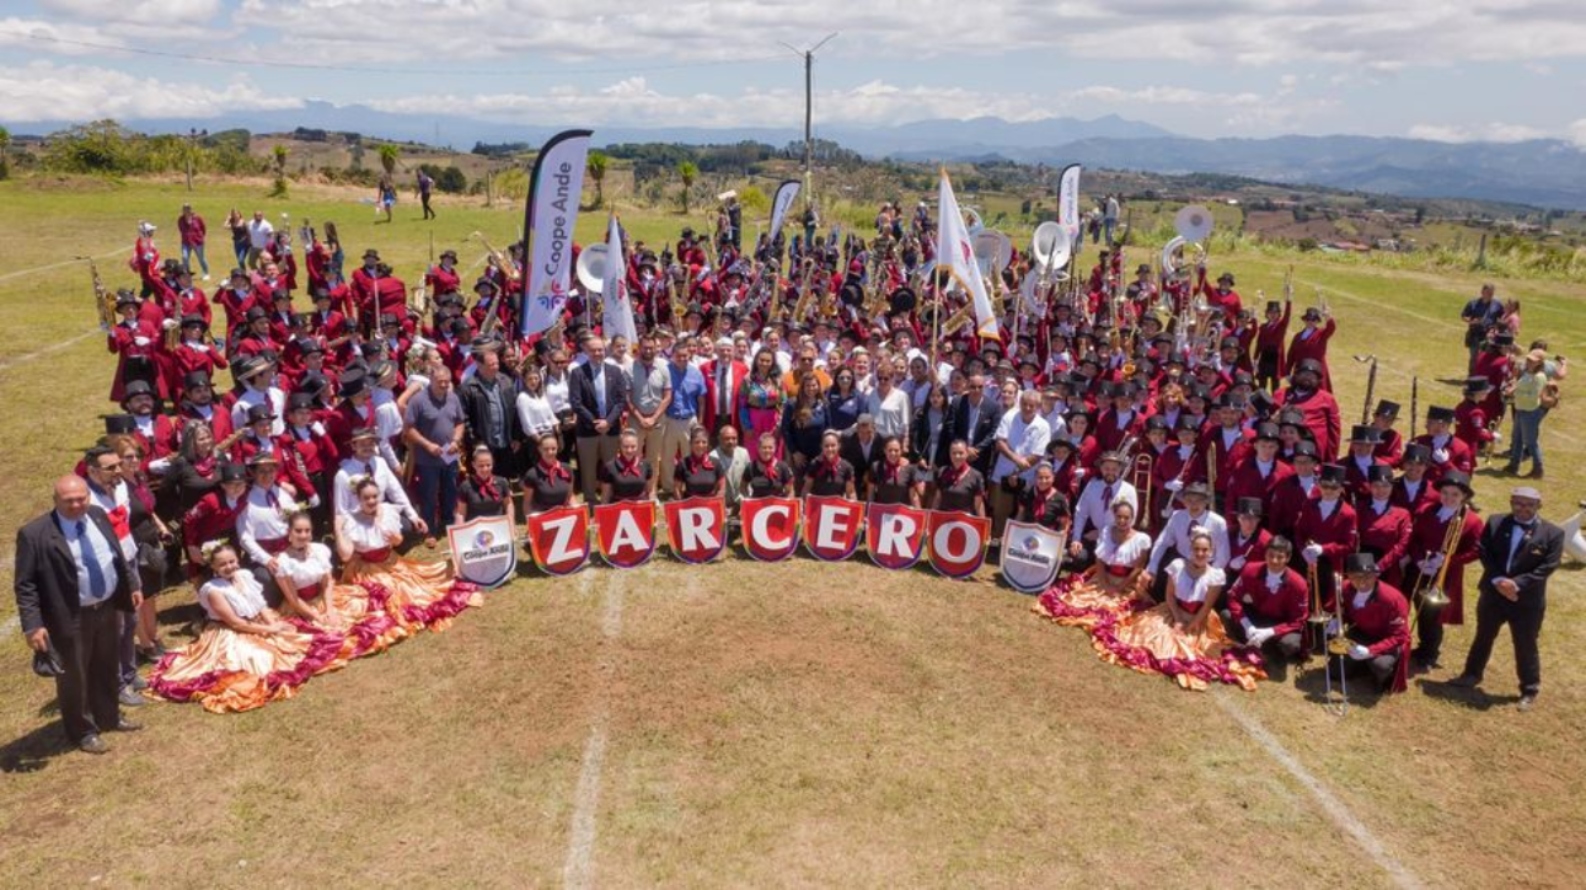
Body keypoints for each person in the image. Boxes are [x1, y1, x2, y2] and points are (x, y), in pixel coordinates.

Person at [14, 475, 145, 754]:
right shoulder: (35, 534)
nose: (76, 504)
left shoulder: (97, 515)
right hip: (69, 616)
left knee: (107, 664)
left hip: (107, 607)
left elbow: (115, 555)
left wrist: (130, 585)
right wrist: (32, 625)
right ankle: (82, 731)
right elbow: (25, 585)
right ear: (55, 501)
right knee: (75, 676)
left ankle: (109, 716)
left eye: (81, 498)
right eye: (69, 500)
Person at [147, 542, 342, 713]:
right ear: (213, 566)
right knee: (258, 661)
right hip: (229, 632)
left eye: (232, 561)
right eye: (222, 564)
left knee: (293, 638)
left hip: (255, 622)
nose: (229, 566)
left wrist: (272, 623)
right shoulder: (213, 589)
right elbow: (235, 622)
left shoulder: (244, 575)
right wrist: (270, 630)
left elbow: (260, 604)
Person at [1091, 529, 1263, 691]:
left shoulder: (1215, 576)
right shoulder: (1177, 566)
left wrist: (1191, 624)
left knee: (1187, 648)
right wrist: (1178, 620)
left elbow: (1206, 607)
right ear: (1190, 549)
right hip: (1173, 612)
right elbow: (1170, 596)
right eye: (1196, 549)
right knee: (1155, 639)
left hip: (1198, 619)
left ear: (1211, 552)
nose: (1200, 553)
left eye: (1205, 550)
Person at [1449, 486, 1563, 711]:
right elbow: (1484, 551)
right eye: (1518, 503)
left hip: (1527, 601)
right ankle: (1471, 674)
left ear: (1539, 506)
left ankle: (1529, 689)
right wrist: (1499, 580)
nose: (1523, 509)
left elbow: (1548, 565)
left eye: (1529, 505)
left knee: (1525, 644)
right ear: (1511, 502)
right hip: (1493, 593)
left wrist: (1516, 584)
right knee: (1483, 635)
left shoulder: (1553, 533)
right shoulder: (1496, 522)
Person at [336, 478, 480, 633]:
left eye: (374, 496)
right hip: (367, 570)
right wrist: (337, 528)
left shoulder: (387, 511)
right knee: (389, 596)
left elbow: (398, 541)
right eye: (366, 498)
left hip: (390, 561)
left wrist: (395, 539)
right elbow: (345, 556)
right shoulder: (352, 521)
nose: (371, 501)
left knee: (420, 587)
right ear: (358, 499)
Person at [1401, 472, 1483, 671]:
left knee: (1432, 614)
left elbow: (1476, 550)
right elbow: (1415, 538)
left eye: (1455, 494)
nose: (1448, 498)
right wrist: (1420, 558)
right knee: (1416, 605)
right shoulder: (1427, 510)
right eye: (1445, 493)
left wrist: (1447, 560)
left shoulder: (1472, 521)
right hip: (1420, 567)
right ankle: (1417, 646)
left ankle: (1430, 652)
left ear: (1464, 496)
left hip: (1445, 573)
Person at [1037, 499, 1149, 630]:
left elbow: (1138, 568)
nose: (1122, 521)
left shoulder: (1141, 539)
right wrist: (1105, 584)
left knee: (1115, 610)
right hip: (1103, 578)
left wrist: (1118, 588)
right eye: (1119, 516)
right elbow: (1099, 560)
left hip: (1127, 583)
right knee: (1079, 601)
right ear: (1114, 516)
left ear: (1132, 518)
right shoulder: (1107, 531)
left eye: (1126, 518)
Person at [1327, 553, 1411, 694]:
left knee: (1381, 666)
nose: (1362, 582)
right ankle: (1363, 666)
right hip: (1361, 632)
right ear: (1349, 577)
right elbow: (1344, 610)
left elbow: (1400, 636)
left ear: (1375, 576)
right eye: (1356, 577)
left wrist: (1371, 651)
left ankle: (1382, 678)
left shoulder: (1394, 599)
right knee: (1334, 672)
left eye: (1367, 576)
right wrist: (1336, 620)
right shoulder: (1345, 588)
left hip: (1387, 640)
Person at [1224, 536, 1309, 668]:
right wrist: (1247, 626)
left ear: (1288, 558)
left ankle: (1268, 651)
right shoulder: (1249, 569)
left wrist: (1269, 632)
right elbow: (1233, 596)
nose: (1274, 561)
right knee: (1226, 615)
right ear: (1265, 554)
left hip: (1280, 623)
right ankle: (1252, 641)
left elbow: (1299, 619)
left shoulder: (1299, 584)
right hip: (1256, 616)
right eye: (1270, 555)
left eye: (1280, 557)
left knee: (1291, 644)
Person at [403, 366, 467, 542]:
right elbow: (408, 429)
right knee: (429, 494)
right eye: (441, 382)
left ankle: (447, 522)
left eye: (447, 382)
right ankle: (429, 529)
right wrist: (427, 444)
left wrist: (456, 440)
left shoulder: (453, 398)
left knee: (450, 491)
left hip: (449, 454)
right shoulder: (417, 401)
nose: (445, 385)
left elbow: (460, 422)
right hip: (427, 457)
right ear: (431, 380)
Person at [570, 337, 630, 505]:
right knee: (588, 469)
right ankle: (590, 500)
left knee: (611, 467)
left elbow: (620, 401)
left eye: (600, 350)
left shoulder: (616, 371)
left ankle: (611, 498)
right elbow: (576, 402)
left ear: (605, 351)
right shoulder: (577, 373)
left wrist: (608, 422)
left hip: (611, 429)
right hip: (587, 431)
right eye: (593, 350)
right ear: (586, 352)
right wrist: (596, 422)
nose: (597, 353)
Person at [989, 390, 1052, 542]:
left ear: (1038, 406)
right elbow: (1000, 442)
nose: (1028, 408)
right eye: (1024, 404)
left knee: (1023, 512)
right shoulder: (1010, 415)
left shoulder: (1043, 425)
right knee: (1000, 510)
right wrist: (1016, 459)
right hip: (1003, 472)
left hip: (1028, 476)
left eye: (1032, 405)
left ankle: (1015, 545)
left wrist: (1016, 471)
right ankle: (997, 542)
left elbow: (1038, 455)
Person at [458, 349, 521, 480]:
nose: (496, 367)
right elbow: (464, 418)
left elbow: (514, 410)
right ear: (479, 365)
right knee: (485, 481)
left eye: (497, 363)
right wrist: (475, 442)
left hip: (505, 442)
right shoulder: (468, 387)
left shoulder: (505, 381)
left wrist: (516, 436)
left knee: (503, 481)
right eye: (491, 364)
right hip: (483, 444)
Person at [1503, 349, 1550, 479]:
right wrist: (1513, 387)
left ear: (1540, 362)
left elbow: (1533, 396)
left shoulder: (1539, 377)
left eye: (1532, 361)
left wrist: (1514, 393)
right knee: (1517, 438)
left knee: (1530, 442)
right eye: (1528, 359)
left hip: (1530, 412)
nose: (1528, 362)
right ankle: (1514, 465)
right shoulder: (1528, 373)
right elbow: (1521, 386)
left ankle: (1538, 468)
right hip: (1521, 409)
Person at [521, 433, 576, 515]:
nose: (550, 452)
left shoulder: (567, 469)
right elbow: (527, 504)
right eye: (546, 449)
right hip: (543, 517)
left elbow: (570, 496)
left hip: (564, 515)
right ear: (539, 449)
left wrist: (576, 509)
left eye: (553, 448)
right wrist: (531, 521)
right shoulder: (532, 475)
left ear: (558, 448)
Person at [456, 446, 512, 523]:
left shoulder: (502, 482)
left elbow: (508, 505)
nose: (485, 469)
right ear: (473, 465)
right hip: (475, 528)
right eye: (481, 466)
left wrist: (511, 524)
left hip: (498, 526)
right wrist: (460, 531)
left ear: (493, 464)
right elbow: (461, 514)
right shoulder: (465, 486)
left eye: (488, 465)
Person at [931, 440, 986, 518]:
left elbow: (978, 506)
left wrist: (982, 525)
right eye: (954, 453)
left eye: (961, 453)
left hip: (965, 521)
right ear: (949, 454)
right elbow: (937, 499)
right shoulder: (942, 472)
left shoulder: (976, 476)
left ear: (967, 453)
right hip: (943, 519)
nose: (957, 456)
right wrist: (931, 517)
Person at [602, 430, 655, 503]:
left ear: (638, 446)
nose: (629, 450)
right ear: (620, 446)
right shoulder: (610, 467)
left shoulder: (646, 465)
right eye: (625, 447)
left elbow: (650, 491)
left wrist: (651, 504)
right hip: (618, 506)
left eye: (633, 446)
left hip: (640, 506)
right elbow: (606, 496)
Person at [867, 437, 921, 507]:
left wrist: (919, 514)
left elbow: (913, 496)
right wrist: (868, 511)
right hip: (881, 510)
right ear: (884, 451)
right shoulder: (876, 467)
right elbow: (870, 494)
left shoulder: (909, 469)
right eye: (890, 450)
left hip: (901, 512)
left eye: (896, 450)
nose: (893, 453)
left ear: (901, 451)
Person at [801, 431, 856, 499]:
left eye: (833, 445)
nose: (830, 449)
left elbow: (850, 493)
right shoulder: (815, 464)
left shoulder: (847, 467)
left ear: (839, 446)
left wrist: (853, 507)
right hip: (818, 506)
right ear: (822, 447)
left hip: (837, 507)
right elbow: (806, 488)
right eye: (826, 446)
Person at [674, 427, 725, 500]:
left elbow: (722, 488)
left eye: (704, 442)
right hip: (690, 505)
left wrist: (715, 503)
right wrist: (681, 506)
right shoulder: (683, 463)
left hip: (710, 504)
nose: (700, 445)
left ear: (708, 444)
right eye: (697, 442)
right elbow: (677, 489)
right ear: (690, 444)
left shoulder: (716, 462)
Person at [743, 431, 795, 499]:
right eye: (764, 447)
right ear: (758, 448)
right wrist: (747, 499)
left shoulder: (783, 467)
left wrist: (786, 504)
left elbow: (790, 491)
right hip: (757, 506)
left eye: (770, 447)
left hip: (777, 506)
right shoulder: (751, 467)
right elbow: (743, 487)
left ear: (775, 448)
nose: (767, 450)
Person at [177, 203, 210, 280]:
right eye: (185, 209)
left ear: (191, 209)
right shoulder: (181, 219)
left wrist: (199, 237)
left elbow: (203, 228)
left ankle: (206, 273)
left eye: (188, 208)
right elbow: (181, 230)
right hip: (186, 243)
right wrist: (187, 238)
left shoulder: (197, 218)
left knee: (201, 258)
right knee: (184, 257)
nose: (187, 210)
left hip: (198, 242)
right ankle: (187, 274)